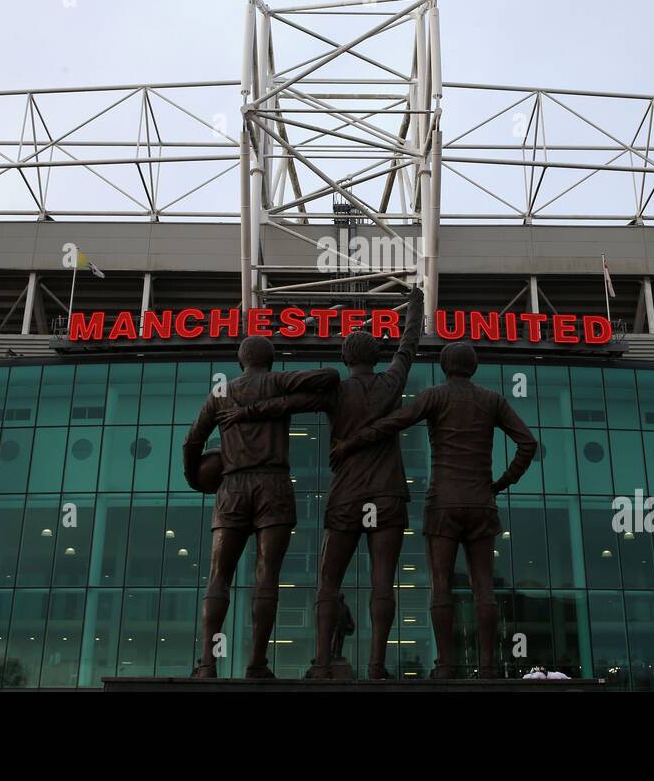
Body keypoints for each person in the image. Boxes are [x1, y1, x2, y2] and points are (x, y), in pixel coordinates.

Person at [216, 287, 424, 679]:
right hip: (388, 494)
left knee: (329, 582)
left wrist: (247, 412)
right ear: (376, 357)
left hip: (346, 496)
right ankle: (377, 666)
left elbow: (287, 405)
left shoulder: (336, 391)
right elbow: (409, 343)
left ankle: (322, 663)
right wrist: (416, 303)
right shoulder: (392, 381)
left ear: (345, 359)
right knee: (383, 581)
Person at [333, 340, 538, 679]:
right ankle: (488, 667)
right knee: (484, 588)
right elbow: (527, 443)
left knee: (441, 585)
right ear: (473, 367)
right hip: (481, 501)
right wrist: (502, 483)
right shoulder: (492, 400)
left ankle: (444, 666)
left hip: (443, 502)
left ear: (444, 367)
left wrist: (351, 443)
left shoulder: (434, 396)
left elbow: (392, 423)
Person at [182, 336, 339, 679]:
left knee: (219, 576)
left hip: (232, 486)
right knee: (267, 575)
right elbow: (329, 375)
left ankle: (207, 663)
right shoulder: (278, 381)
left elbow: (192, 441)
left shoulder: (221, 393)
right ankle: (257, 663)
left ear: (241, 361)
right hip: (273, 484)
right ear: (270, 360)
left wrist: (194, 479)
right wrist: (284, 401)